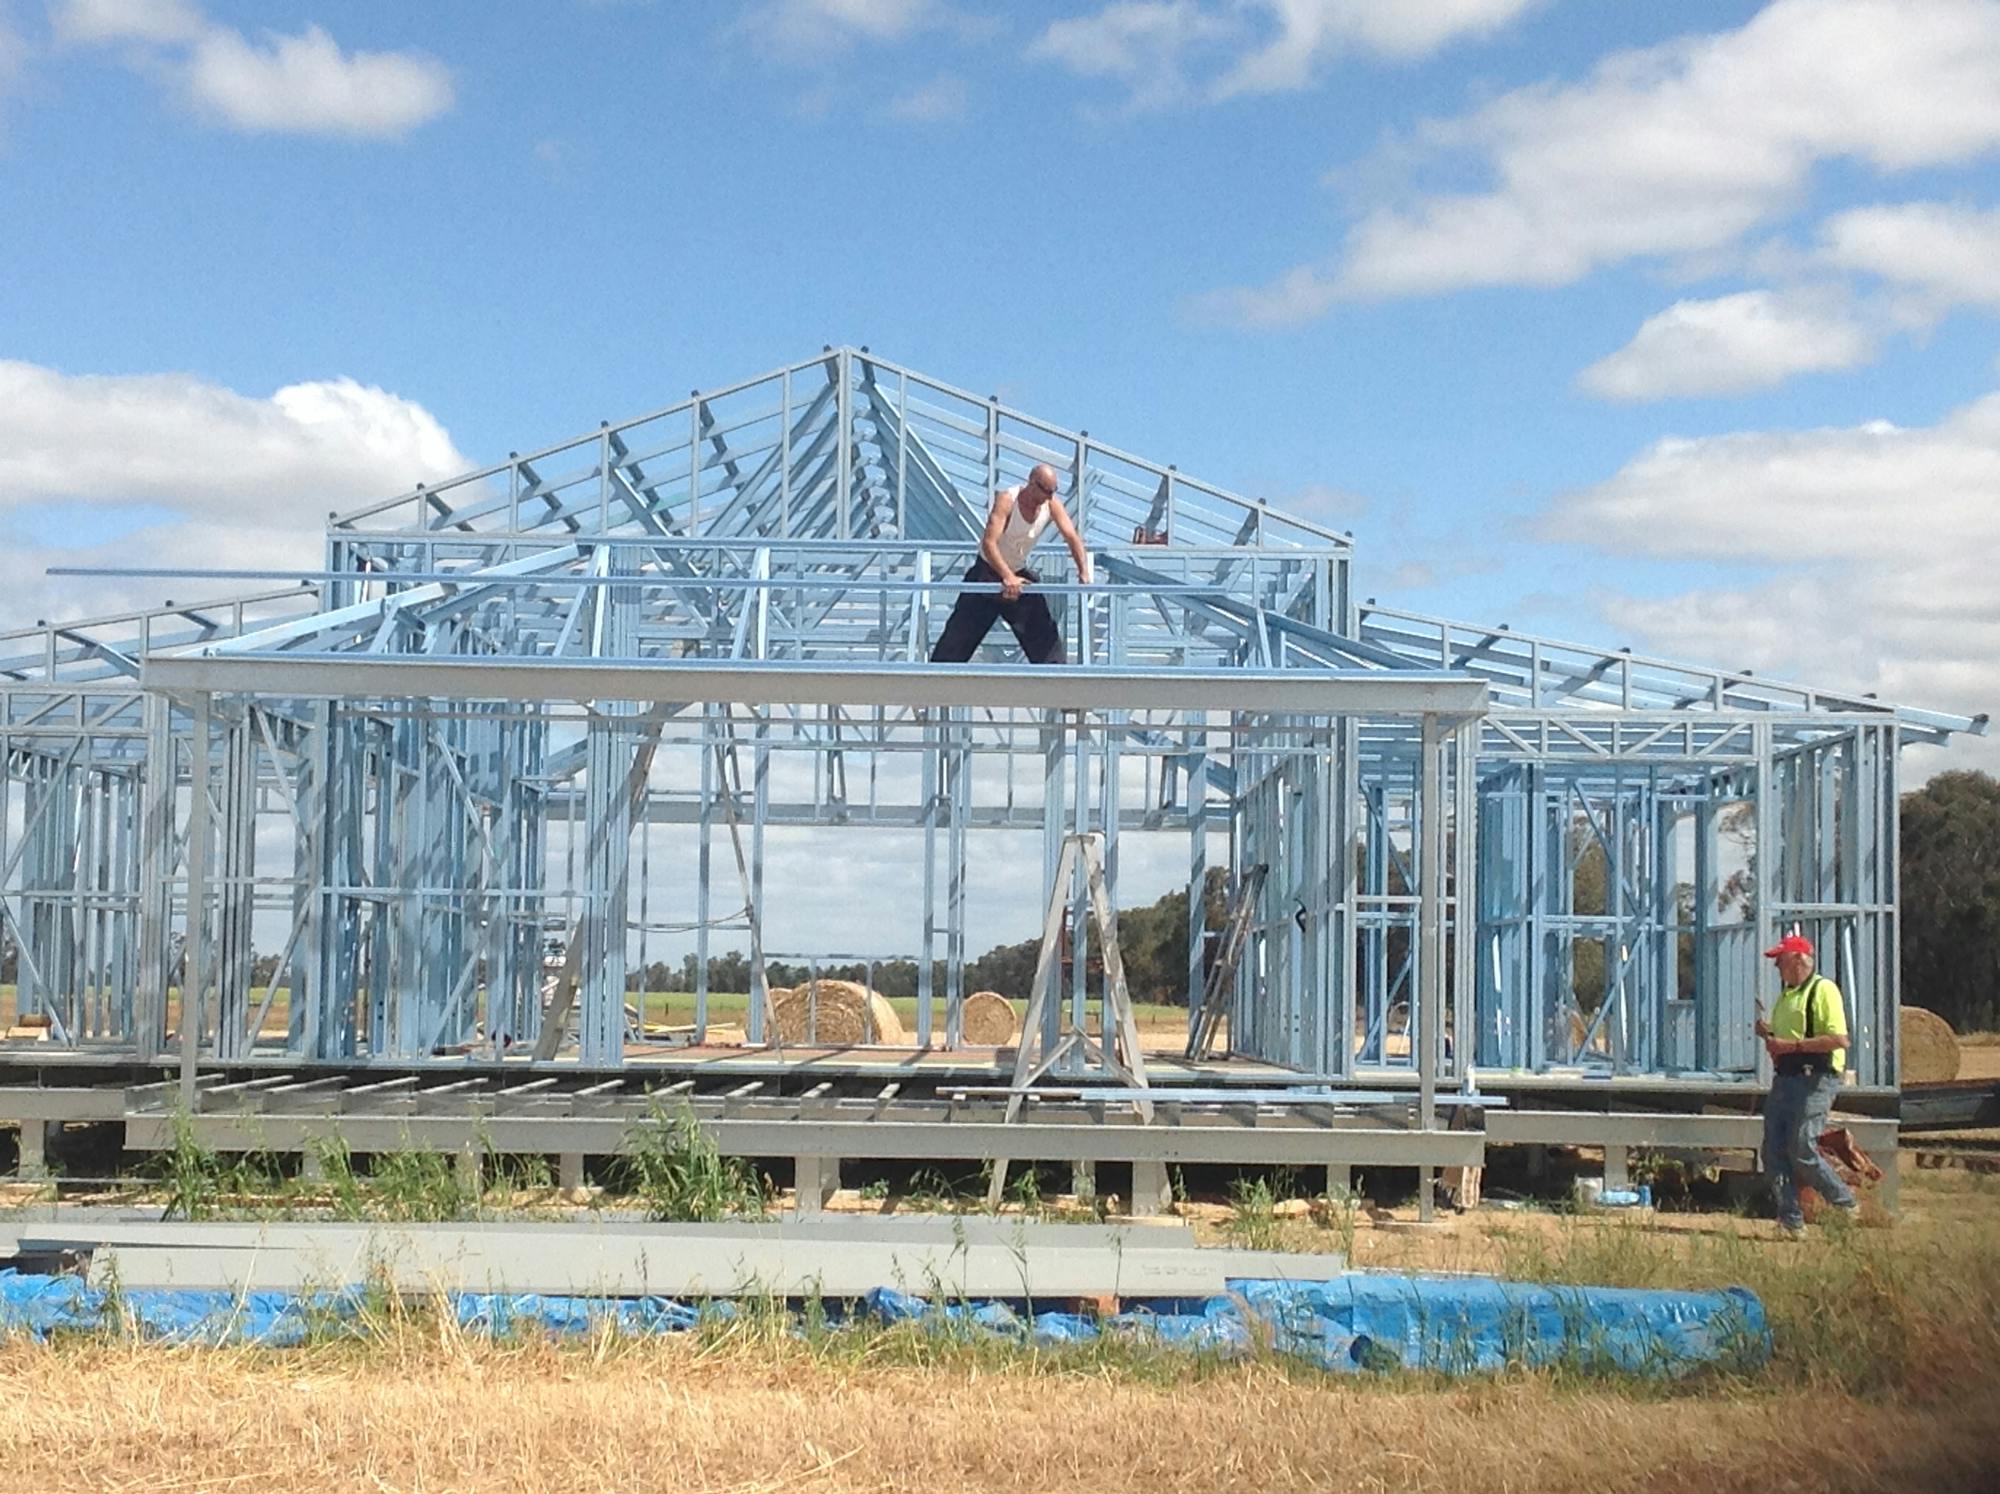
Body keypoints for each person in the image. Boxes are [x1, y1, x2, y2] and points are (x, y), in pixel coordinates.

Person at [930, 463, 1092, 664]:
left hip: (1017, 573)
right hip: (987, 574)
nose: (1049, 497)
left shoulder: (1051, 504)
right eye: (1046, 491)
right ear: (1032, 484)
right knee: (955, 642)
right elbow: (989, 543)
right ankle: (932, 686)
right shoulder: (1007, 500)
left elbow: (1071, 537)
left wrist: (1083, 571)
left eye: (1054, 492)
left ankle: (1056, 685)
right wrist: (1007, 576)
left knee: (1045, 638)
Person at [1755, 933, 1859, 1235]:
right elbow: (1785, 1037)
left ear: (1799, 960)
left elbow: (1839, 1039)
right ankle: (1790, 1221)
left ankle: (1844, 1202)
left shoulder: (1823, 990)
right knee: (1773, 1150)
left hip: (1816, 1078)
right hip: (1786, 1079)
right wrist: (1768, 1033)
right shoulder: (1787, 995)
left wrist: (1790, 1046)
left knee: (1802, 1145)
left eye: (1781, 960)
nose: (1776, 967)